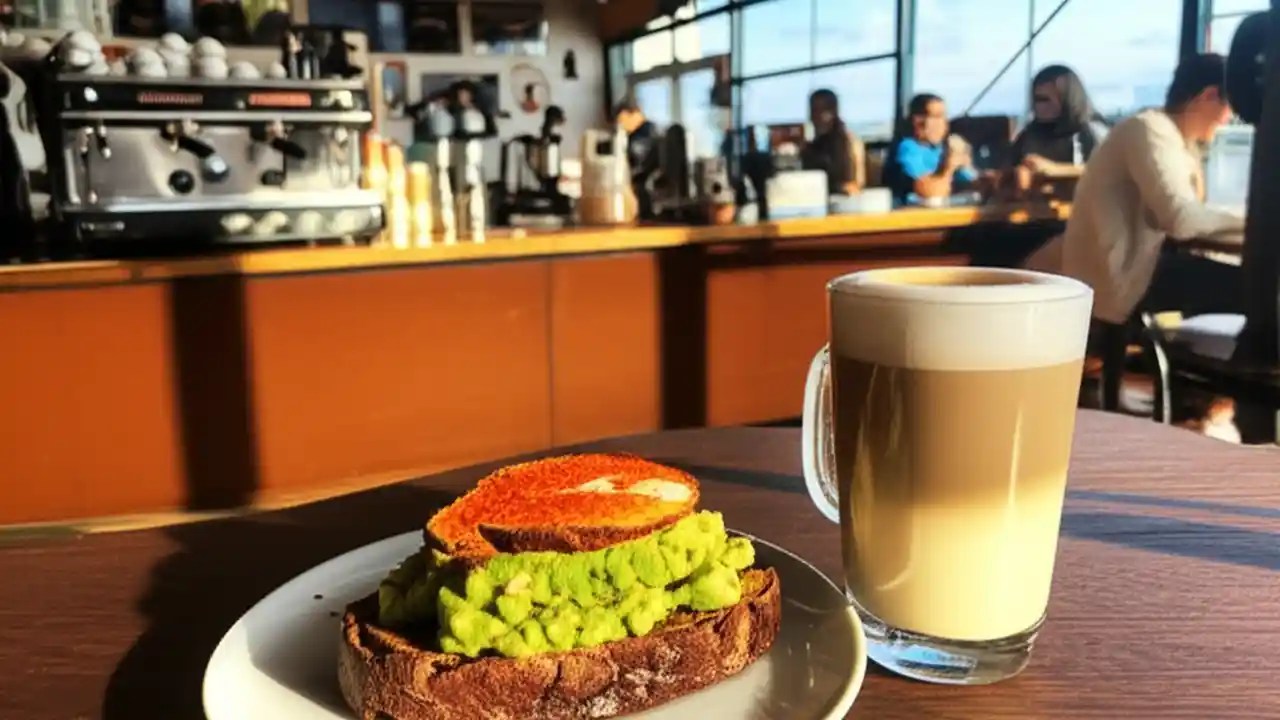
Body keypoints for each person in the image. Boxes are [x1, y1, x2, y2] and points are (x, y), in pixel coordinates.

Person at [1061, 53, 1244, 325]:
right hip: (1122, 282)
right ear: (1209, 95)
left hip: (1134, 271)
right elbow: (1181, 219)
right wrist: (1256, 226)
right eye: (1229, 107)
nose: (1229, 118)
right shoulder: (1149, 130)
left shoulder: (1175, 139)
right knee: (1262, 289)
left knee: (1258, 283)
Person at [1010, 65, 1108, 192]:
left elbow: (1110, 173)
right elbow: (1012, 166)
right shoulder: (1029, 135)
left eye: (1044, 100)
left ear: (1067, 99)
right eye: (1036, 100)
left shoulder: (1093, 131)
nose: (1038, 106)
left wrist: (1055, 169)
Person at [884, 93, 979, 203]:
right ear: (918, 121)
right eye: (937, 117)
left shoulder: (943, 148)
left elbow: (970, 182)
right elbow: (929, 193)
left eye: (944, 116)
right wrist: (949, 168)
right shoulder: (908, 149)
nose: (943, 123)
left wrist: (987, 179)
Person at [800, 89, 866, 195]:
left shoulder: (850, 143)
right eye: (814, 110)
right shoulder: (809, 148)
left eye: (824, 110)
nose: (818, 116)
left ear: (835, 112)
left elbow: (857, 183)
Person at [614, 97, 661, 218]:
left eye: (622, 120)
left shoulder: (649, 134)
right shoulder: (631, 136)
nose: (622, 125)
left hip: (651, 191)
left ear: (633, 113)